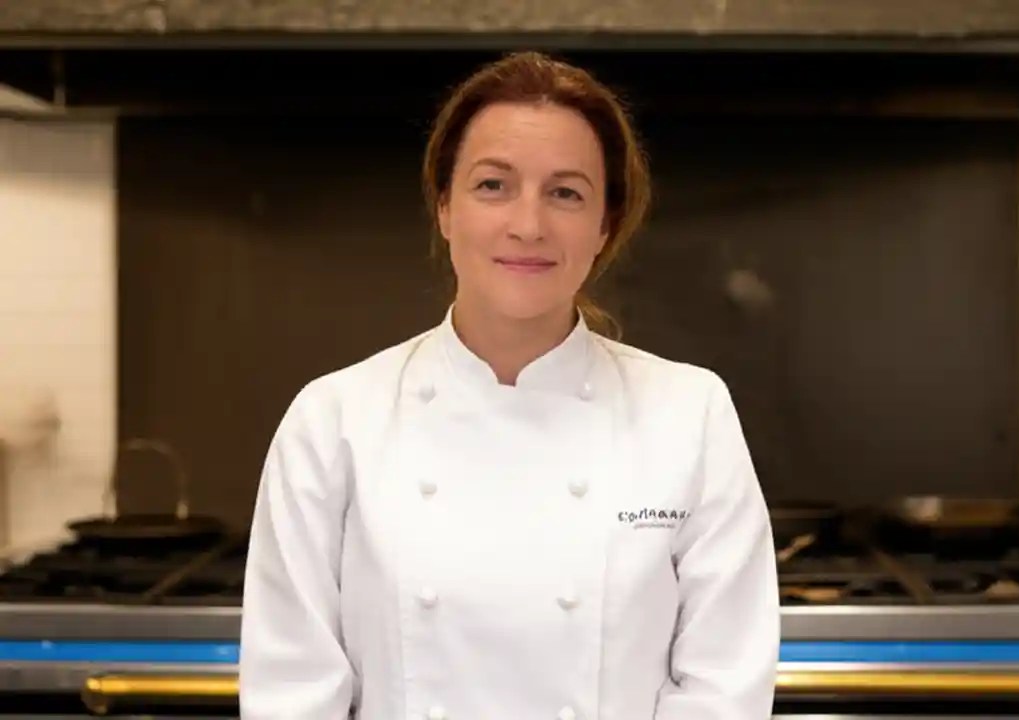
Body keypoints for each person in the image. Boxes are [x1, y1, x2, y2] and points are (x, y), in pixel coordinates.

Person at [239, 50, 779, 720]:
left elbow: (723, 687)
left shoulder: (690, 412)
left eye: (566, 192)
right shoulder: (332, 421)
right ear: (444, 207)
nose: (529, 224)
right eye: (493, 185)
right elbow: (293, 695)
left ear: (604, 224)